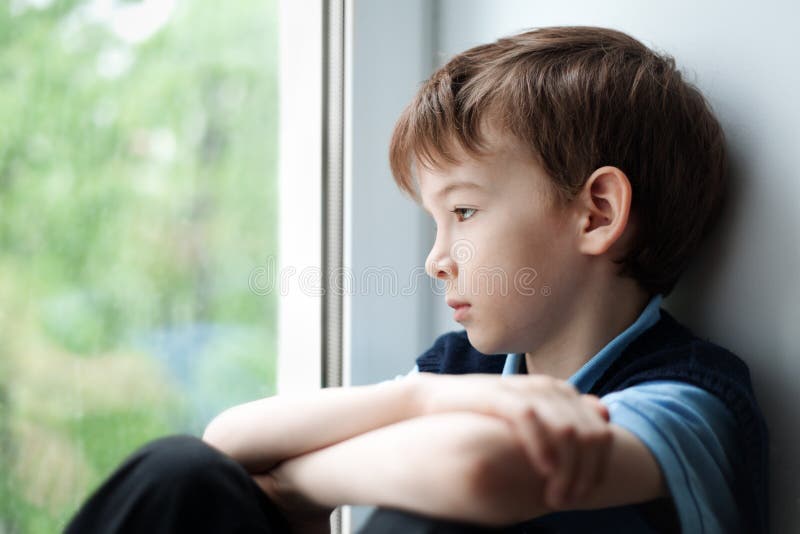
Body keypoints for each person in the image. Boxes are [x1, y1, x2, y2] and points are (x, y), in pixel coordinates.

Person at [65, 25, 768, 534]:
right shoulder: (460, 373)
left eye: (462, 210)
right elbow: (228, 438)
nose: (437, 259)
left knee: (431, 514)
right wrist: (425, 399)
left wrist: (295, 484)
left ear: (596, 214)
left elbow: (480, 471)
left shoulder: (685, 397)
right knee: (178, 474)